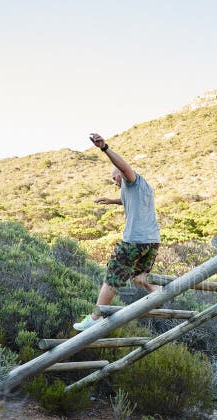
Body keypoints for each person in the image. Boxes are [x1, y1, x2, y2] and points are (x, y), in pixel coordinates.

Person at [73, 133, 161, 330]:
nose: (114, 182)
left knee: (112, 277)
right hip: (152, 241)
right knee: (139, 277)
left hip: (134, 241)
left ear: (121, 173)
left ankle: (96, 318)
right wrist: (112, 201)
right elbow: (130, 200)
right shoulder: (142, 188)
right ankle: (159, 293)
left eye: (114, 177)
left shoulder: (131, 178)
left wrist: (104, 148)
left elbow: (124, 167)